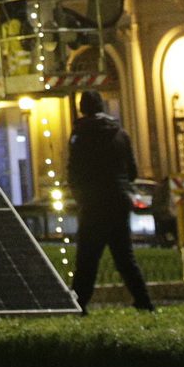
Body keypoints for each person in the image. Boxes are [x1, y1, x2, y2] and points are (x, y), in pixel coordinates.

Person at [65, 91, 155, 312]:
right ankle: (144, 302)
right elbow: (132, 172)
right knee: (124, 256)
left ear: (82, 108)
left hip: (93, 202)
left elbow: (74, 171)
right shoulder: (120, 133)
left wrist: (80, 193)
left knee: (87, 258)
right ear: (102, 106)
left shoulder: (80, 135)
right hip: (118, 199)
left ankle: (78, 304)